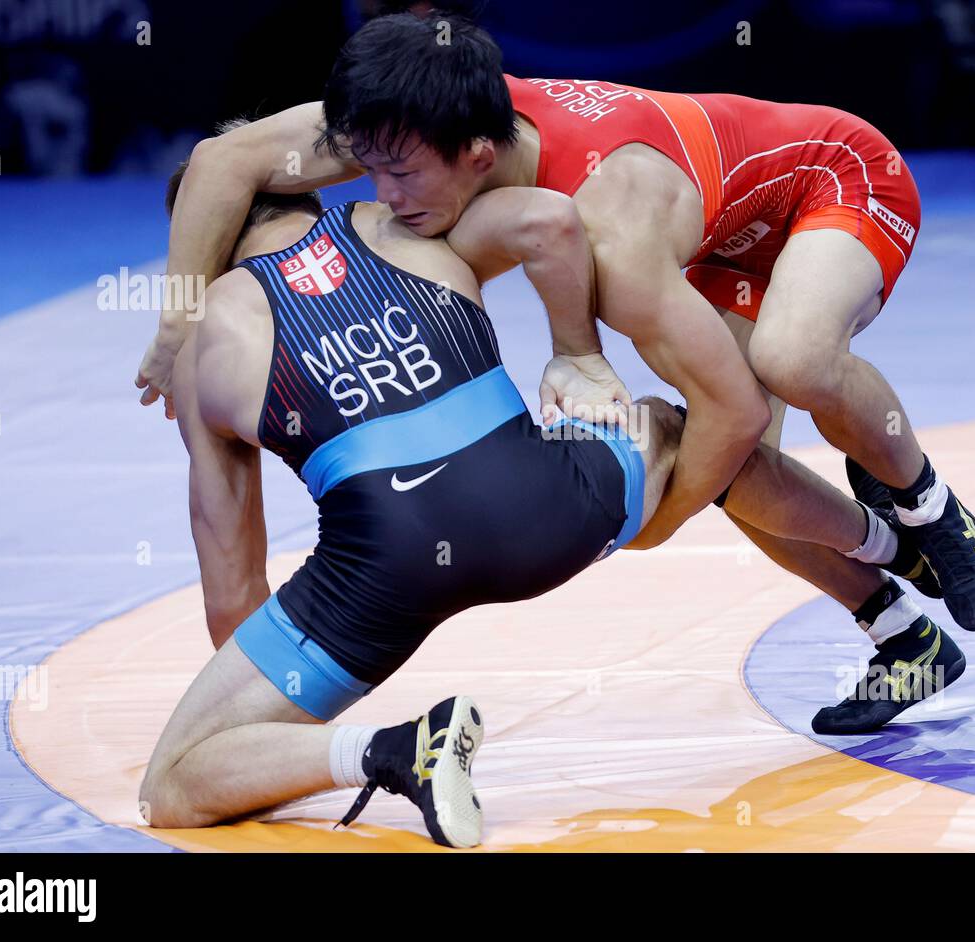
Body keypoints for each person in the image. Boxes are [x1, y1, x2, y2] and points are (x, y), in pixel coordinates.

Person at [136, 10, 975, 734]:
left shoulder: (608, 228)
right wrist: (180, 321)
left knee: (773, 376)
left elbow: (728, 409)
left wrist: (651, 524)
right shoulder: (413, 117)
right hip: (712, 247)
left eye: (398, 177)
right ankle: (899, 626)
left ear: (476, 154)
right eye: (370, 171)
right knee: (724, 469)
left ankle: (930, 513)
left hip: (827, 179)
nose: (381, 197)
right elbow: (222, 161)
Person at [139, 134, 687, 846]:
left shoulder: (208, 341)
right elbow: (548, 219)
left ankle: (391, 752)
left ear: (199, 250)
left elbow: (232, 586)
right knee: (675, 421)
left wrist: (273, 736)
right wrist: (577, 351)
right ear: (307, 192)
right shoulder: (400, 220)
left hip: (379, 575)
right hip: (551, 510)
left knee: (173, 785)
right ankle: (869, 542)